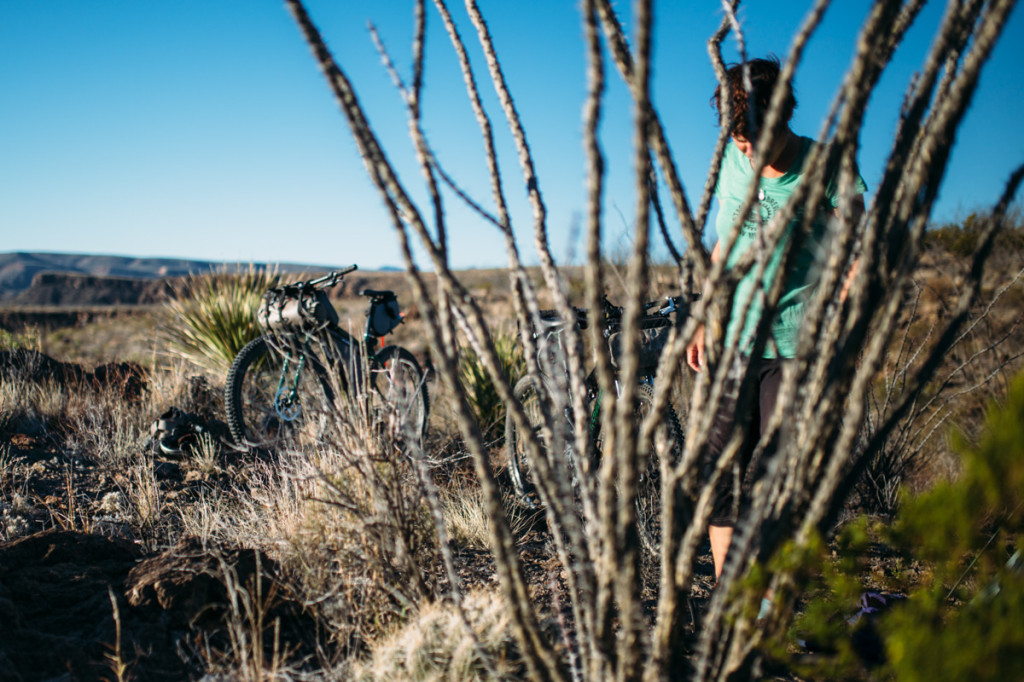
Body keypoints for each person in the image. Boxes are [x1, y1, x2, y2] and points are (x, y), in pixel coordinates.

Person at [685, 56, 867, 582]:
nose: (746, 148)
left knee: (772, 477)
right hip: (735, 342)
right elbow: (724, 245)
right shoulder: (731, 162)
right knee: (720, 471)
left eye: (752, 138)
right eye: (738, 138)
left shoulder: (826, 164)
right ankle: (726, 591)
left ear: (781, 117)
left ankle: (765, 595)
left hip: (794, 345)